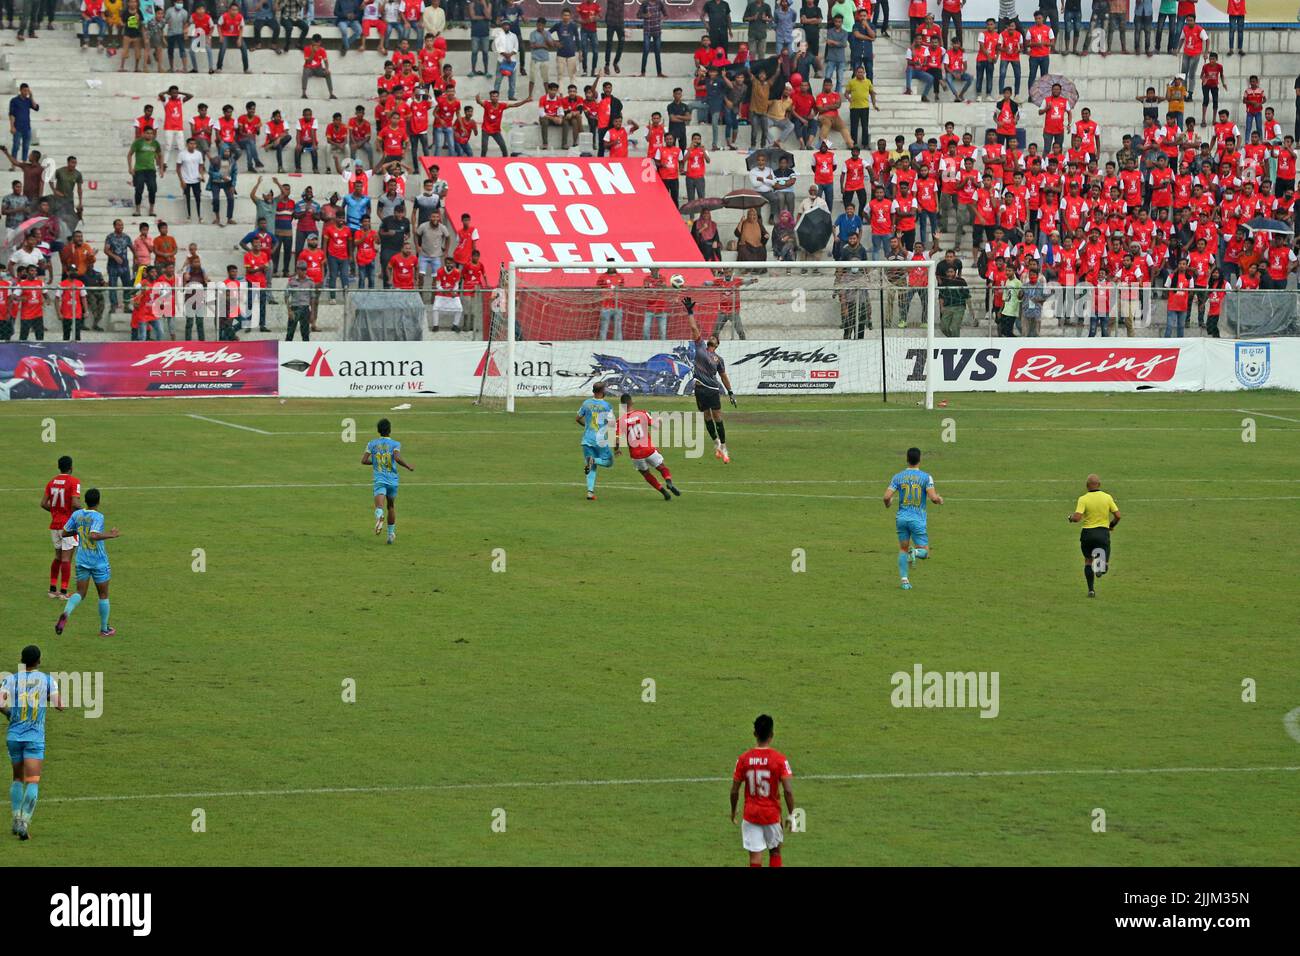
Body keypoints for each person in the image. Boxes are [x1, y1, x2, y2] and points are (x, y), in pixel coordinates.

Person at [2, 644, 63, 841]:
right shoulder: (47, 680)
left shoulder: (11, 679)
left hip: (14, 736)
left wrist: (10, 713)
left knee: (17, 778)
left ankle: (16, 819)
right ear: (39, 661)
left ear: (22, 660)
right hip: (34, 738)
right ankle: (25, 822)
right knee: (33, 781)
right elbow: (59, 705)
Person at [730, 714, 796, 868]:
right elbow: (788, 791)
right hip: (772, 815)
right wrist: (792, 815)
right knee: (775, 852)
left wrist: (733, 811)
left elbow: (734, 791)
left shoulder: (743, 759)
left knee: (755, 860)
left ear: (755, 734)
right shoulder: (780, 759)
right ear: (772, 735)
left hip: (751, 814)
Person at [54, 488, 119, 637]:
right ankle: (104, 629)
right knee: (103, 594)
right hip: (98, 561)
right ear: (98, 501)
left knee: (80, 593)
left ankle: (66, 612)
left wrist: (78, 531)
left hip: (82, 560)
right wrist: (111, 535)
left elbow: (64, 533)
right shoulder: (98, 517)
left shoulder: (77, 514)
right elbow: (94, 535)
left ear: (85, 500)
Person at [684, 296, 736, 463]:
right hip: (700, 389)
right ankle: (717, 444)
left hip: (713, 389)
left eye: (716, 338)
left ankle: (724, 446)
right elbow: (693, 327)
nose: (713, 337)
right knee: (706, 417)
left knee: (717, 417)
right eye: (712, 337)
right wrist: (690, 311)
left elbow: (723, 376)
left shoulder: (718, 359)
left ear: (717, 344)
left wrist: (730, 392)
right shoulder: (700, 346)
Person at [883, 446, 943, 590]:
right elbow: (933, 498)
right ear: (919, 459)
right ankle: (914, 552)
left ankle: (904, 581)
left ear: (907, 459)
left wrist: (888, 503)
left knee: (903, 549)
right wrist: (939, 499)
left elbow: (886, 497)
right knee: (925, 552)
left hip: (902, 519)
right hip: (917, 519)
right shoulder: (925, 477)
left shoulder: (898, 476)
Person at [613, 391, 680, 501]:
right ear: (632, 402)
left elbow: (616, 441)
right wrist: (659, 420)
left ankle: (664, 492)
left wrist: (616, 450)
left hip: (636, 454)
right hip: (649, 449)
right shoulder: (642, 413)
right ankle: (669, 481)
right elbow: (656, 426)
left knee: (645, 473)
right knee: (662, 467)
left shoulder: (620, 421)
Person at [1068, 473, 1120, 598]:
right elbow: (1118, 515)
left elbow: (1077, 518)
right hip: (1102, 533)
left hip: (1087, 534)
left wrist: (1070, 518)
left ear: (1087, 486)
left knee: (1087, 561)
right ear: (1099, 485)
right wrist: (1111, 525)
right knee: (1103, 564)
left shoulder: (1083, 499)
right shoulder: (1107, 497)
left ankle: (1091, 590)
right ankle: (1101, 566)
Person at [361, 418, 413, 544]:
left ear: (378, 431)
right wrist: (407, 466)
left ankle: (379, 516)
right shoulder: (395, 444)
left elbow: (363, 460)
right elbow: (396, 457)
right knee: (390, 506)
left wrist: (376, 462)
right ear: (390, 430)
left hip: (380, 479)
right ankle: (390, 535)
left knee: (379, 506)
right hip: (393, 480)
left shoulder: (371, 444)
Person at [41, 456, 81, 601]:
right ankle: (64, 592)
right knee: (66, 559)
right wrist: (83, 513)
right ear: (71, 467)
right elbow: (76, 503)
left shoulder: (51, 482)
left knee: (58, 556)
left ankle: (52, 590)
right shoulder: (74, 481)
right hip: (68, 526)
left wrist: (55, 512)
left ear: (59, 467)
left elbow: (43, 503)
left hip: (55, 525)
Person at [576, 382, 614, 501]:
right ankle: (593, 460)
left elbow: (577, 418)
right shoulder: (607, 406)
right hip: (600, 440)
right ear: (603, 391)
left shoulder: (586, 403)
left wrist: (587, 427)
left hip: (587, 439)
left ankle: (590, 492)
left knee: (591, 467)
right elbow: (611, 423)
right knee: (608, 461)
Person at [127, 126, 162, 218]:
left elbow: (160, 155)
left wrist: (161, 168)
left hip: (151, 170)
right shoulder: (138, 142)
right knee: (139, 189)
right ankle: (137, 210)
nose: (150, 135)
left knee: (153, 189)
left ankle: (151, 209)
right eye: (147, 133)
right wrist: (130, 168)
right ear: (143, 133)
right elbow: (130, 154)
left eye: (151, 133)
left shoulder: (155, 143)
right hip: (139, 170)